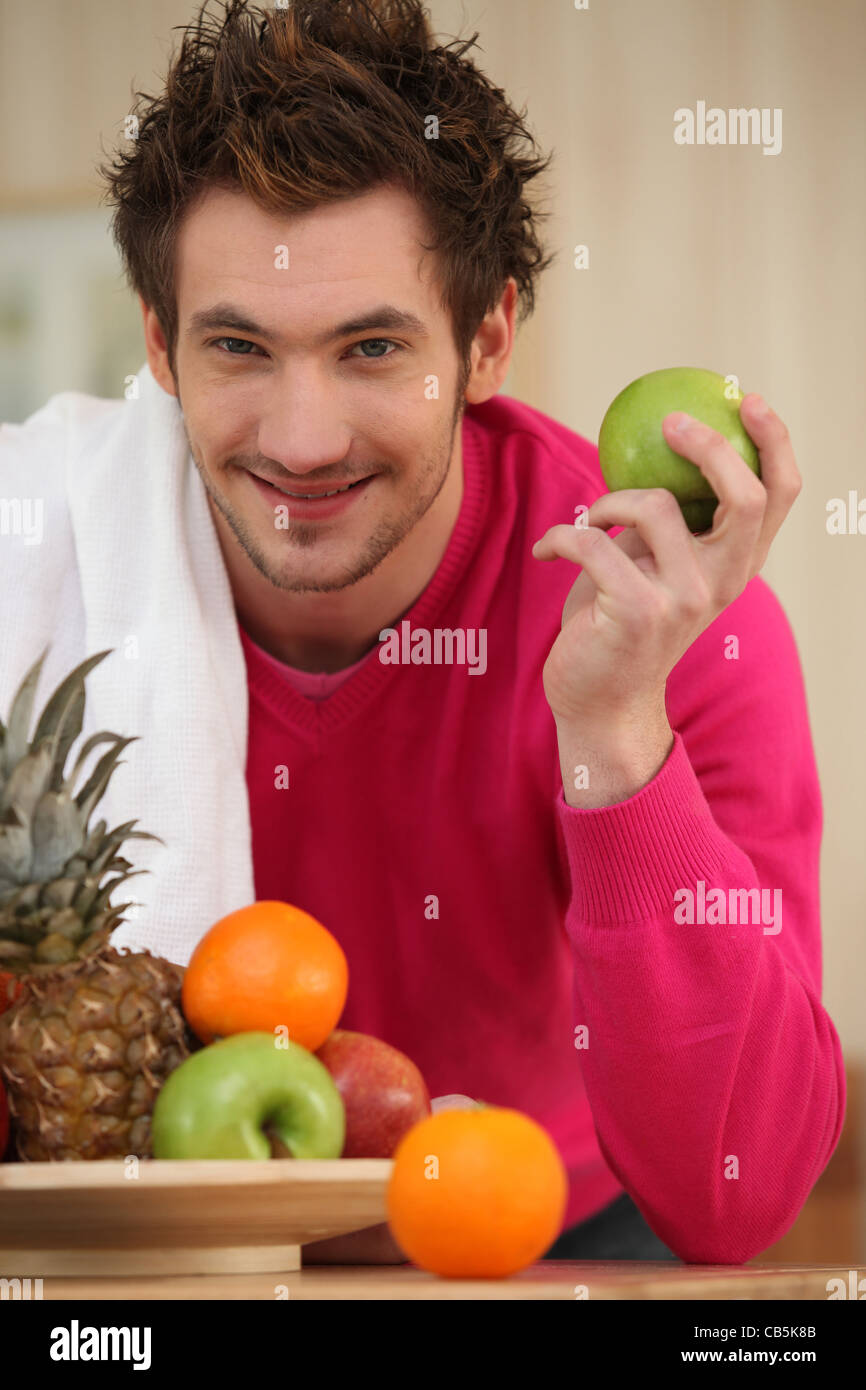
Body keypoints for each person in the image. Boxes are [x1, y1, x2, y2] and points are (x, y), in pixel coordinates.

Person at [0, 0, 844, 1266]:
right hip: (159, 1241)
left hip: (543, 1215)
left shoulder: (668, 622)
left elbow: (734, 1196)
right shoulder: (45, 575)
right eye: (239, 345)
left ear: (488, 338)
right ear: (162, 349)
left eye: (372, 346)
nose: (301, 439)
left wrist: (613, 734)